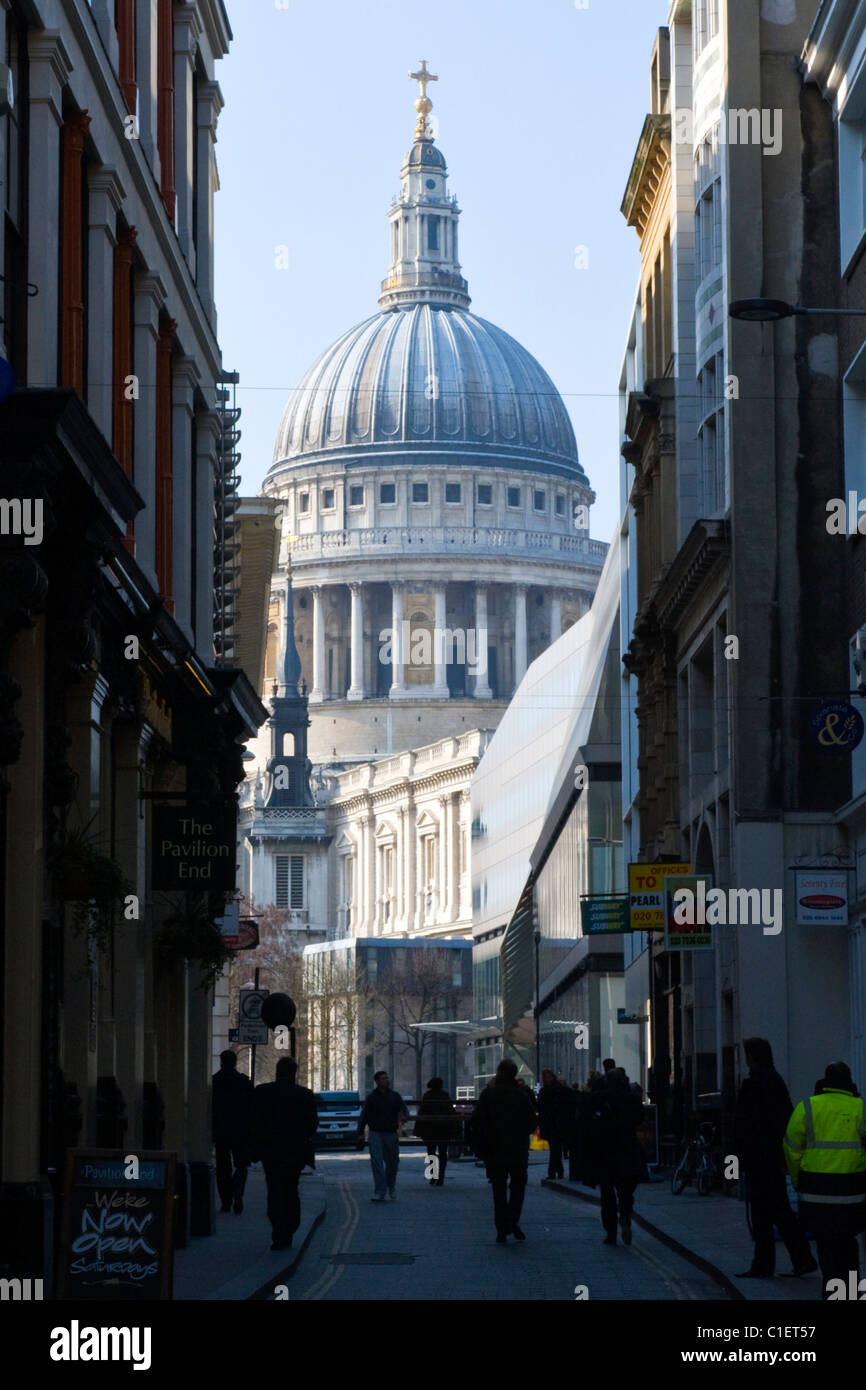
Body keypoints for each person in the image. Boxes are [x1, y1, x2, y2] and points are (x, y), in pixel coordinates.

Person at [733, 1037, 816, 1280]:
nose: (745, 1059)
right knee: (779, 1211)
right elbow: (785, 1120)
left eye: (747, 1055)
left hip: (760, 1158)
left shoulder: (756, 1083)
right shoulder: (775, 1081)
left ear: (753, 1057)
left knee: (763, 1215)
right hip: (772, 1158)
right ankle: (801, 1258)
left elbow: (746, 1124)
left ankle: (766, 1264)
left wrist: (738, 1158)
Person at [785, 1062, 866, 1298]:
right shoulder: (859, 1107)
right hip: (852, 1190)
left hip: (815, 1190)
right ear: (849, 1081)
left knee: (825, 1243)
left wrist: (797, 1178)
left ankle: (831, 1292)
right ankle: (849, 1291)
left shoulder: (807, 1106)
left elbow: (791, 1147)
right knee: (848, 1243)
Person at [250, 1057, 318, 1251]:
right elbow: (312, 1125)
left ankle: (278, 1231)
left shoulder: (262, 1093)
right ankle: (289, 1227)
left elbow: (253, 1121)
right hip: (294, 1151)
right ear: (294, 1073)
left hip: (270, 1151)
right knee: (290, 1189)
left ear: (277, 1071)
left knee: (274, 1189)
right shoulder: (305, 1095)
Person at [470, 1059, 538, 1243]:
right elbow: (532, 1122)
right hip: (517, 1149)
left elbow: (476, 1121)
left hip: (494, 1149)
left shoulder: (488, 1094)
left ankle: (502, 1228)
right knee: (518, 1187)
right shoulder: (521, 1095)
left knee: (498, 1189)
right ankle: (512, 1220)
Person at [586, 1067, 647, 1246]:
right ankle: (625, 1215)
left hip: (605, 1151)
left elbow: (590, 1121)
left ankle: (610, 1232)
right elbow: (639, 1119)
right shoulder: (632, 1099)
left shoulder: (599, 1098)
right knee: (626, 1190)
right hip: (627, 1149)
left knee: (607, 1194)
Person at [211, 1049, 253, 1215]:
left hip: (221, 1132)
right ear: (235, 1063)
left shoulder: (214, 1082)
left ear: (221, 1062)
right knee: (242, 1165)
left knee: (223, 1168)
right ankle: (237, 1190)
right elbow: (252, 1108)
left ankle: (226, 1202)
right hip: (241, 1131)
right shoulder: (244, 1082)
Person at [356, 1070, 408, 1202]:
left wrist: (403, 1116)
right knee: (377, 1163)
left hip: (391, 1133)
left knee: (393, 1162)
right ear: (377, 1081)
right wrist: (360, 1132)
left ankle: (390, 1185)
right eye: (384, 1078)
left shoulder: (395, 1096)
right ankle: (380, 1191)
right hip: (375, 1133)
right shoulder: (371, 1097)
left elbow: (404, 1110)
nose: (387, 1080)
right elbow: (364, 1116)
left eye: (387, 1078)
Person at [415, 1077, 459, 1187]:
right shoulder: (444, 1096)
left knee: (431, 1152)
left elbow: (422, 1112)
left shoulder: (427, 1096)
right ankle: (441, 1176)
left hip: (430, 1129)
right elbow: (451, 1111)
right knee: (443, 1153)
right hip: (443, 1129)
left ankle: (434, 1175)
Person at [537, 1069, 573, 1180]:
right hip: (551, 1124)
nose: (548, 1079)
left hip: (558, 1123)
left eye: (549, 1077)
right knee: (555, 1149)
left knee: (555, 1149)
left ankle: (554, 1171)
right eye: (546, 1078)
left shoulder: (559, 1091)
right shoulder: (544, 1091)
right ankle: (557, 1170)